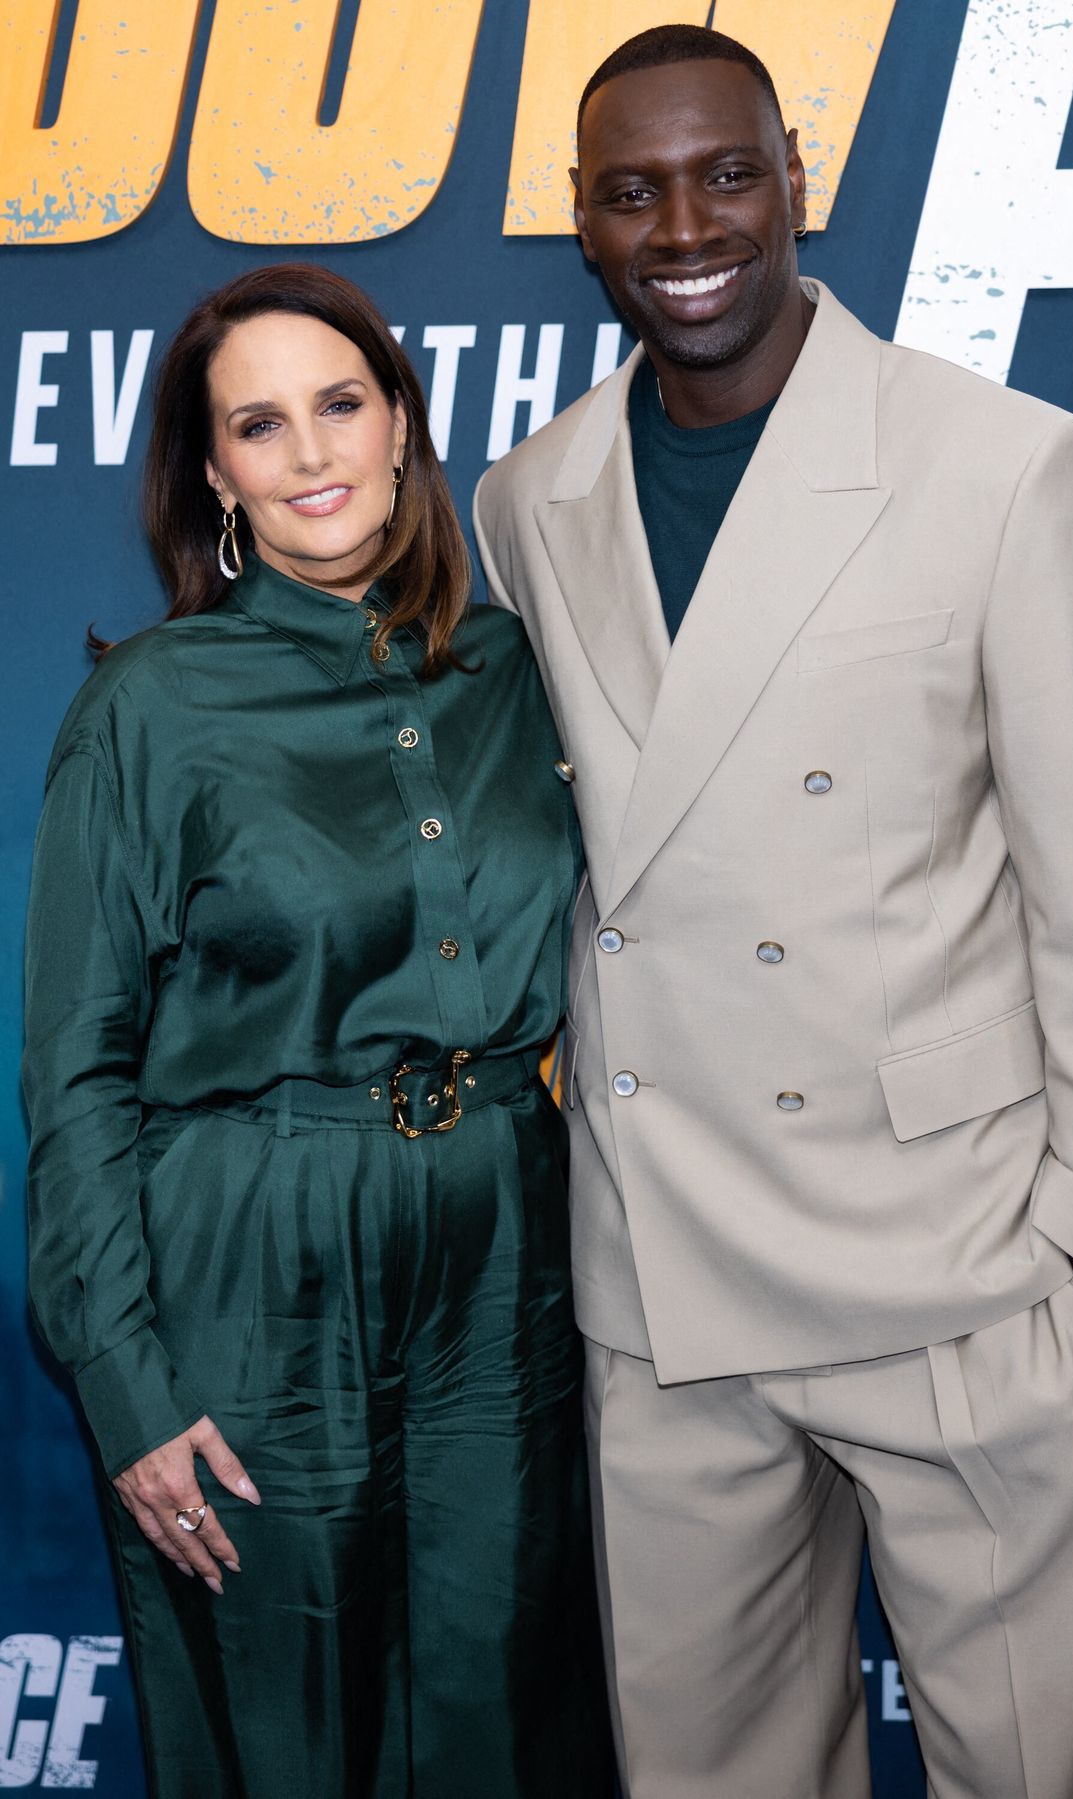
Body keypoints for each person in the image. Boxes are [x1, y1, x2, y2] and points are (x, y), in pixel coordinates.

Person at [473, 24, 1073, 1799]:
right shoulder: (527, 501)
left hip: (962, 1276)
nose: (686, 225)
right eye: (632, 192)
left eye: (726, 171)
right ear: (581, 225)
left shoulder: (1003, 467)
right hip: (669, 1291)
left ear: (796, 176)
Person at [24, 263, 612, 1799]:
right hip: (250, 1265)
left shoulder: (510, 673)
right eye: (259, 425)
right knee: (289, 1736)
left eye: (340, 403)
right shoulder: (152, 707)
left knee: (505, 1710)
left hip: (503, 1255)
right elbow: (75, 1074)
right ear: (214, 472)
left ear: (403, 420)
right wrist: (128, 1387)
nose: (311, 452)